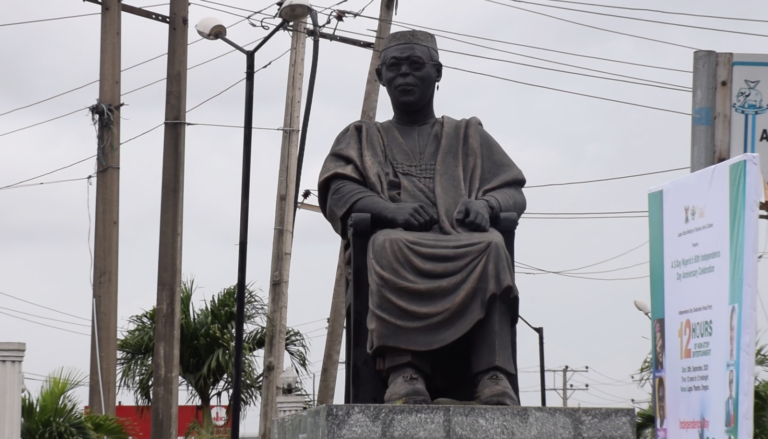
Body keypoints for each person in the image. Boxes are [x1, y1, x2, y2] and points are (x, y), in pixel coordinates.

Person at [318, 30, 526, 405]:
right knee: (386, 244)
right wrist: (389, 211)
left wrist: (486, 206)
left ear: (437, 72)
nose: (404, 75)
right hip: (400, 244)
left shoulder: (467, 135)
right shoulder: (362, 137)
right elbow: (339, 191)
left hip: (461, 242)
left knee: (493, 245)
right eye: (394, 67)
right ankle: (404, 371)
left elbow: (512, 191)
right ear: (380, 77)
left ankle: (492, 374)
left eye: (416, 65)